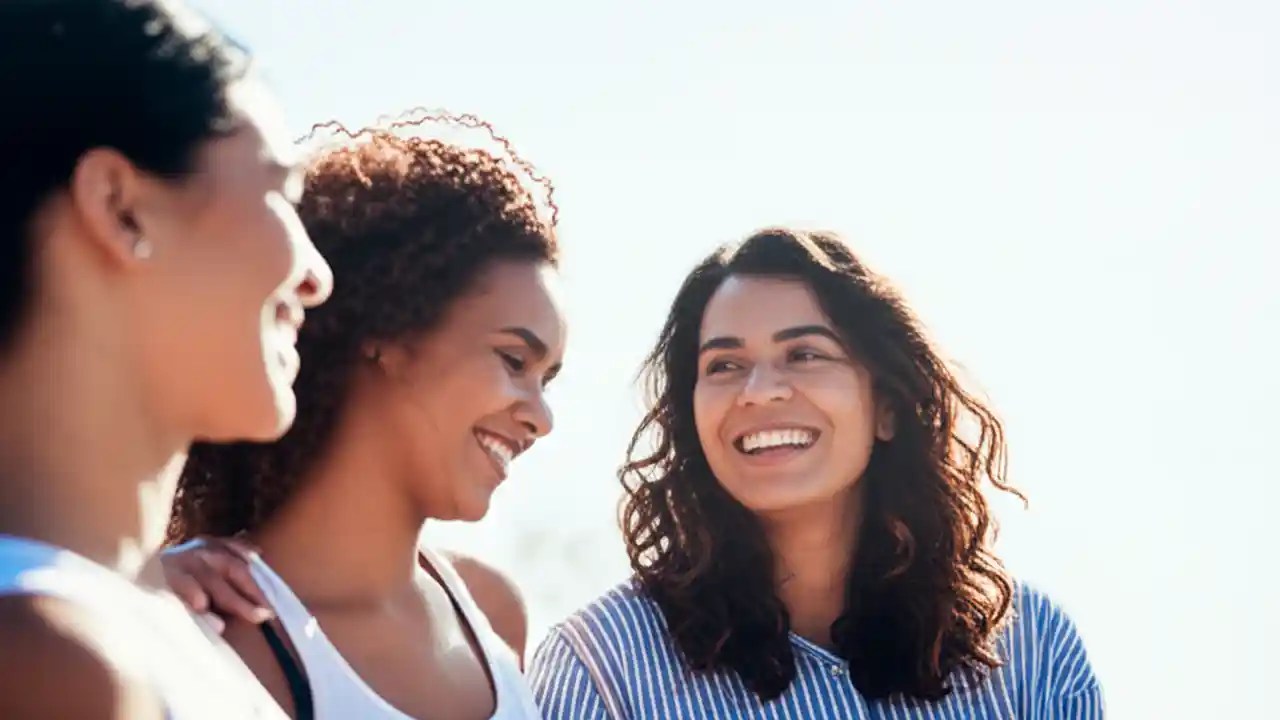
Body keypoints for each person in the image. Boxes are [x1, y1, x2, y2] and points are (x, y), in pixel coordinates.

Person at [527, 228, 1104, 718]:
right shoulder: (603, 668)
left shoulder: (1032, 652)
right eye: (724, 365)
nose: (760, 392)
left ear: (887, 406)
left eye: (804, 354)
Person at [163, 118, 562, 719]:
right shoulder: (213, 625)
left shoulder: (492, 611)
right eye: (513, 360)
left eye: (547, 379)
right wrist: (134, 593)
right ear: (389, 332)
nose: (541, 416)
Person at [0, 1, 332, 717]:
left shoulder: (152, 633)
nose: (316, 276)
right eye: (283, 192)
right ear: (121, 208)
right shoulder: (48, 665)